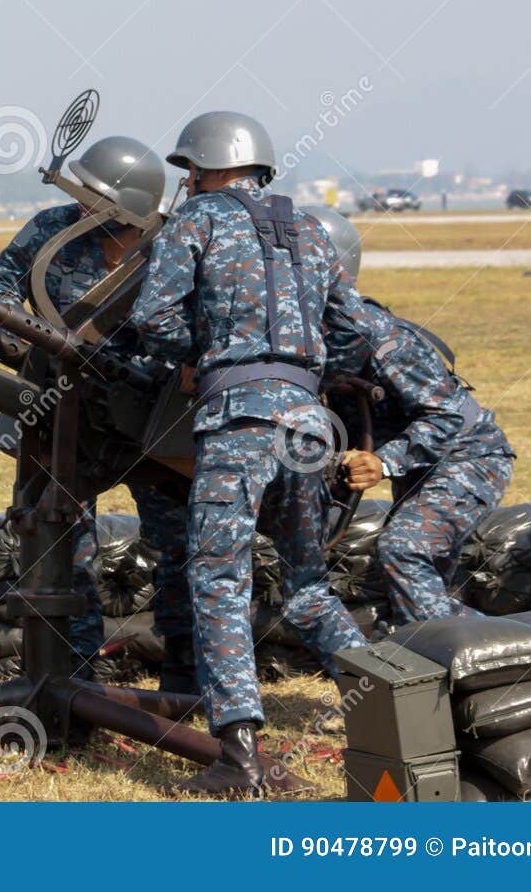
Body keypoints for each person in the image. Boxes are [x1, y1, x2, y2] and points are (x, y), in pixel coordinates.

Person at [127, 112, 369, 795]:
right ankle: (386, 708)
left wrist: (196, 360)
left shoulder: (197, 222)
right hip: (309, 424)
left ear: (204, 168)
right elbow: (352, 331)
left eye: (190, 172)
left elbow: (150, 318)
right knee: (308, 584)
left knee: (220, 579)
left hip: (238, 421)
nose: (188, 182)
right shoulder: (313, 231)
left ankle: (238, 758)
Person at [0, 136, 198, 692]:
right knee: (59, 540)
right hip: (63, 406)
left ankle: (186, 675)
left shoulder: (173, 248)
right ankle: (75, 675)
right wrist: (20, 334)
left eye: (94, 197)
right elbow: (1, 289)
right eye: (81, 193)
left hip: (148, 416)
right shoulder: (50, 229)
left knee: (178, 543)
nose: (81, 205)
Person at [305, 206, 516, 625]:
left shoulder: (385, 340)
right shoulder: (308, 337)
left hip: (466, 458)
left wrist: (383, 462)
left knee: (405, 549)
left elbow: (446, 418)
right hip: (417, 469)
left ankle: (462, 657)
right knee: (421, 580)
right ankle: (463, 652)